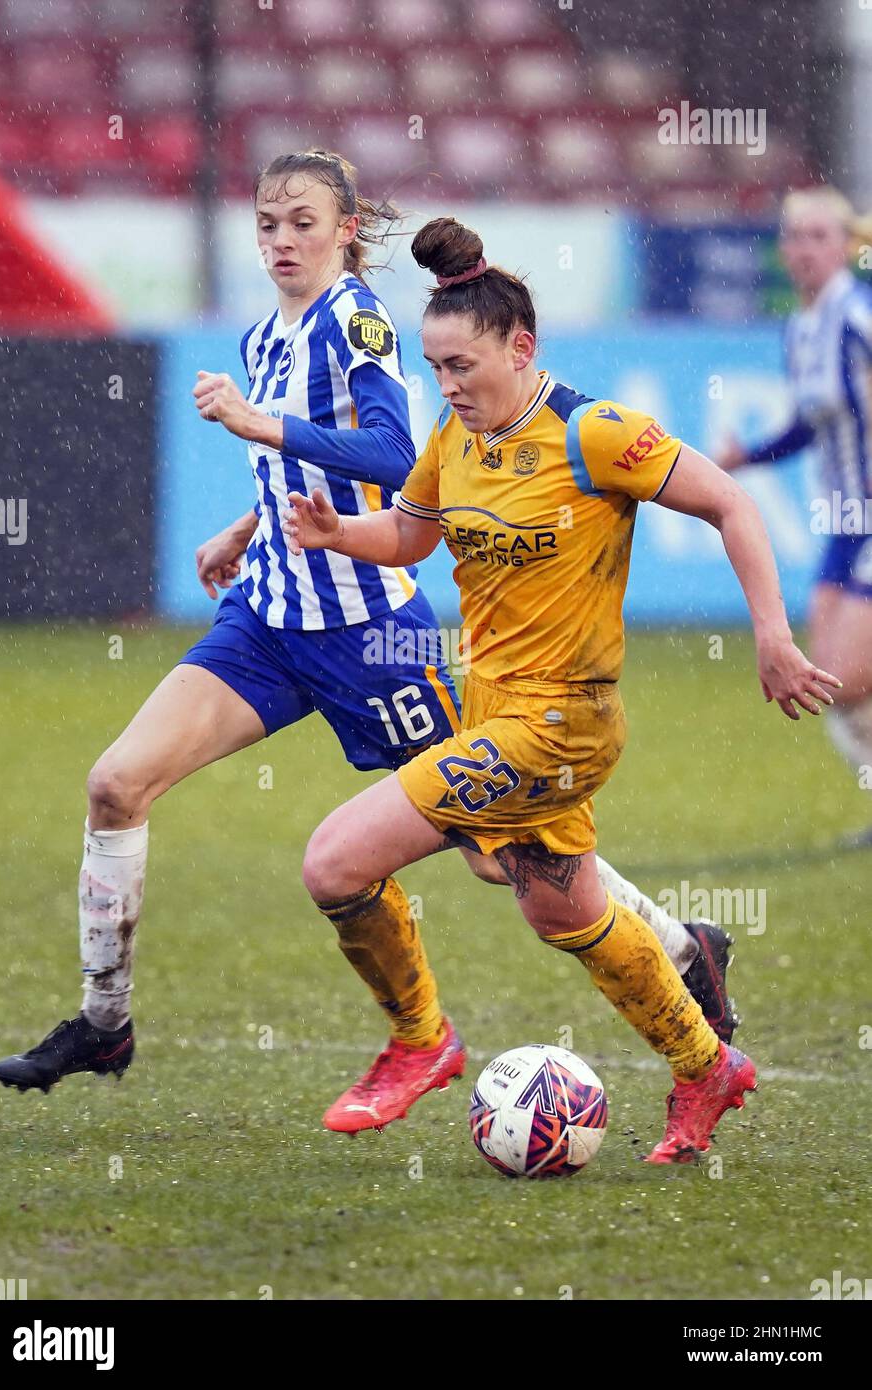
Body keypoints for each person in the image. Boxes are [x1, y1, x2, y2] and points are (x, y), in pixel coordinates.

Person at [0, 153, 732, 1097]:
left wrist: (264, 430)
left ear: (346, 231)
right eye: (266, 223)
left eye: (302, 222)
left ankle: (682, 945)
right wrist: (249, 523)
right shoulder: (266, 336)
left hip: (372, 639)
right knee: (116, 783)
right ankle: (104, 1024)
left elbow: (390, 456)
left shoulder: (361, 323)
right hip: (265, 622)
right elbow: (313, 472)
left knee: (508, 857)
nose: (281, 240)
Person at [282, 216, 840, 1163]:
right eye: (434, 368)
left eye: (461, 365)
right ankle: (707, 1067)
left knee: (335, 862)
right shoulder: (451, 441)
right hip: (492, 712)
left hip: (562, 723)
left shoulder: (593, 433)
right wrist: (340, 532)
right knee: (561, 908)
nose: (447, 385)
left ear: (520, 346)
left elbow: (729, 503)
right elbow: (412, 538)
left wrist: (774, 637)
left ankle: (421, 1045)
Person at [718, 187, 872, 839]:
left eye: (818, 236)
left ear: (846, 245)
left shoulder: (858, 316)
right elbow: (811, 425)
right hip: (841, 524)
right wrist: (745, 455)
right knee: (829, 679)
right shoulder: (802, 327)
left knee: (843, 677)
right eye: (794, 237)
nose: (804, 249)